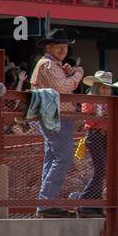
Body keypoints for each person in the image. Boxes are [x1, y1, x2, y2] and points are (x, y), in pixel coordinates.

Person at [30, 28, 84, 218]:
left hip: (54, 115)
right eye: (59, 46)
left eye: (65, 47)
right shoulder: (48, 65)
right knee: (64, 158)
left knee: (53, 158)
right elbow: (63, 87)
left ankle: (45, 204)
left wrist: (69, 72)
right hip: (54, 116)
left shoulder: (53, 64)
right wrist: (78, 74)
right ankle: (46, 203)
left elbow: (60, 84)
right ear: (49, 47)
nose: (63, 50)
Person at [71, 70, 118, 217]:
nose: (106, 90)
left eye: (108, 87)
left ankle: (94, 205)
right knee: (101, 170)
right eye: (103, 87)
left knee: (103, 171)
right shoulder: (90, 100)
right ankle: (85, 202)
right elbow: (90, 120)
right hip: (96, 135)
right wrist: (103, 115)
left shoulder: (110, 101)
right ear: (97, 87)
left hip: (107, 136)